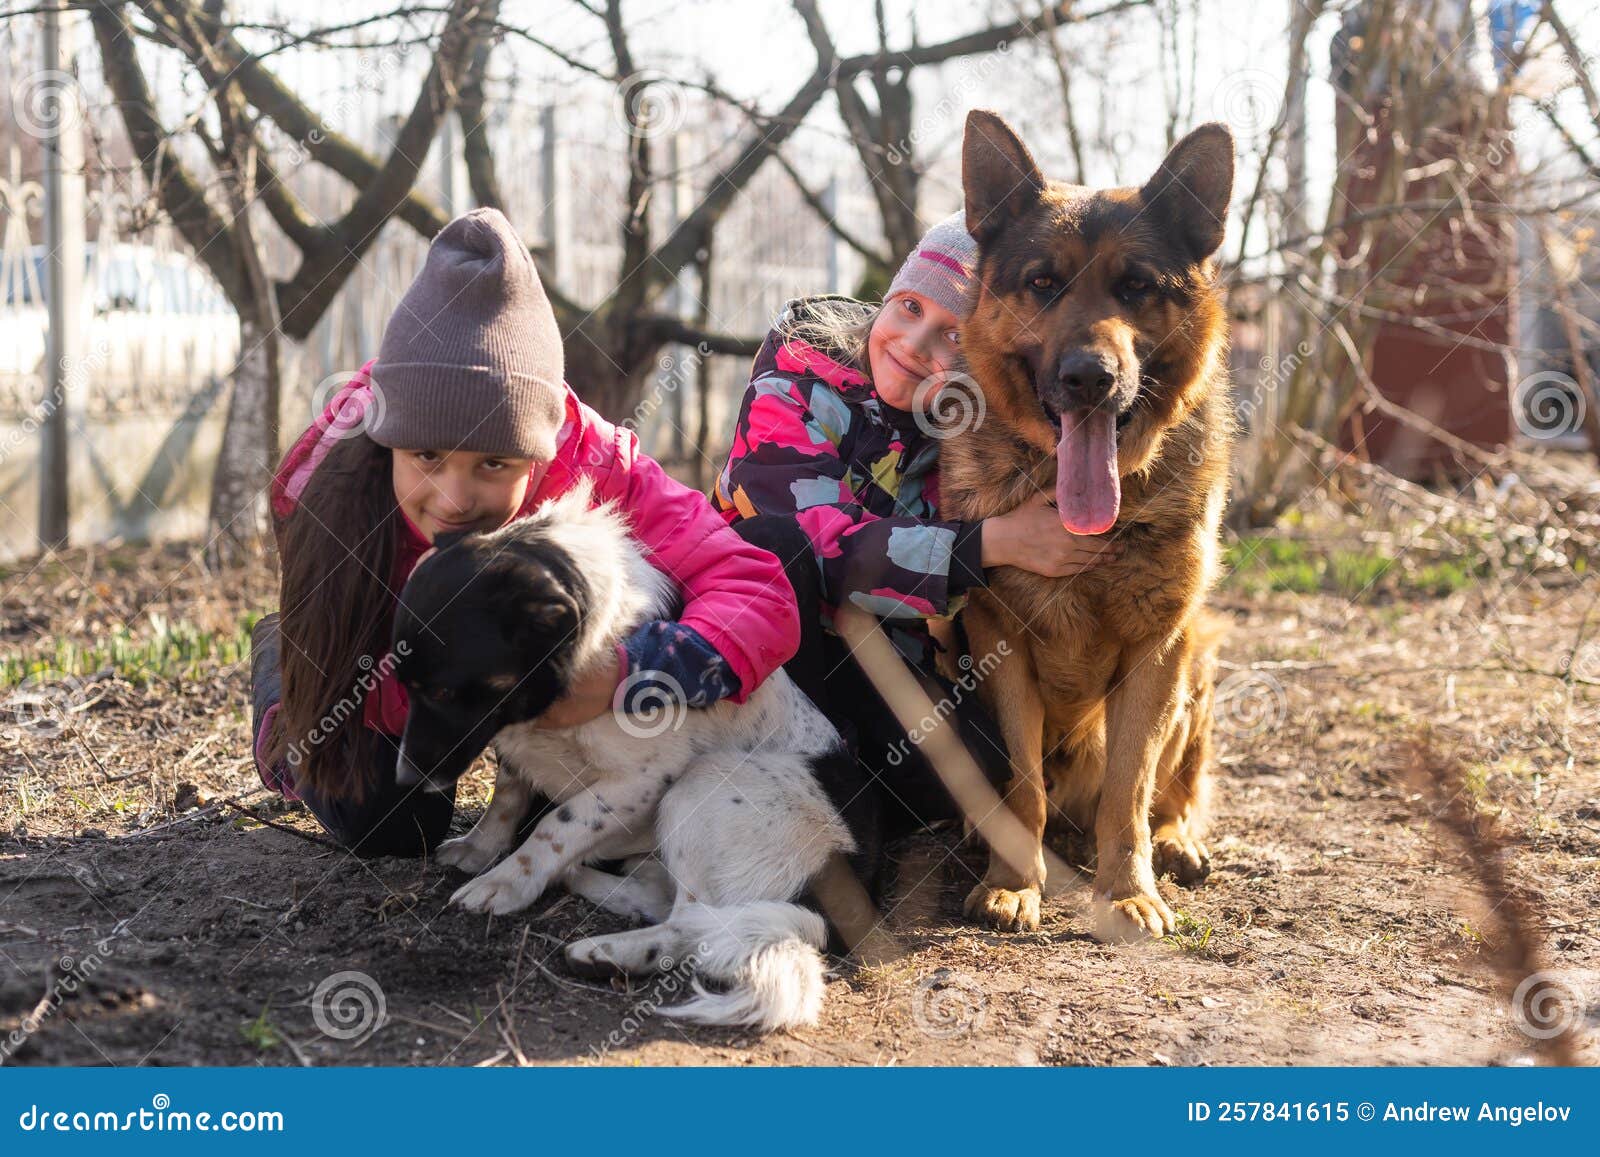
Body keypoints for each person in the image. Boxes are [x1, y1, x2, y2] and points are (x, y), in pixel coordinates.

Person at [250, 208, 799, 857]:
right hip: (377, 665)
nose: (454, 500)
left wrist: (626, 673)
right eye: (426, 456)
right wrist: (461, 679)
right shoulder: (327, 493)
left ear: (539, 454)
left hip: (507, 676)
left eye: (494, 463)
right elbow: (398, 701)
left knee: (561, 796)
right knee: (390, 822)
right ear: (388, 442)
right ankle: (275, 659)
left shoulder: (593, 467)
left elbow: (762, 592)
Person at [712, 213, 1121, 838]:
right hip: (762, 643)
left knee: (978, 769)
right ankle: (789, 785)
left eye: (953, 337)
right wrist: (990, 544)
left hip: (872, 662)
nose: (914, 344)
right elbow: (815, 545)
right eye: (908, 307)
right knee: (777, 547)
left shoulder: (973, 430)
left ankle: (853, 781)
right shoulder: (801, 367)